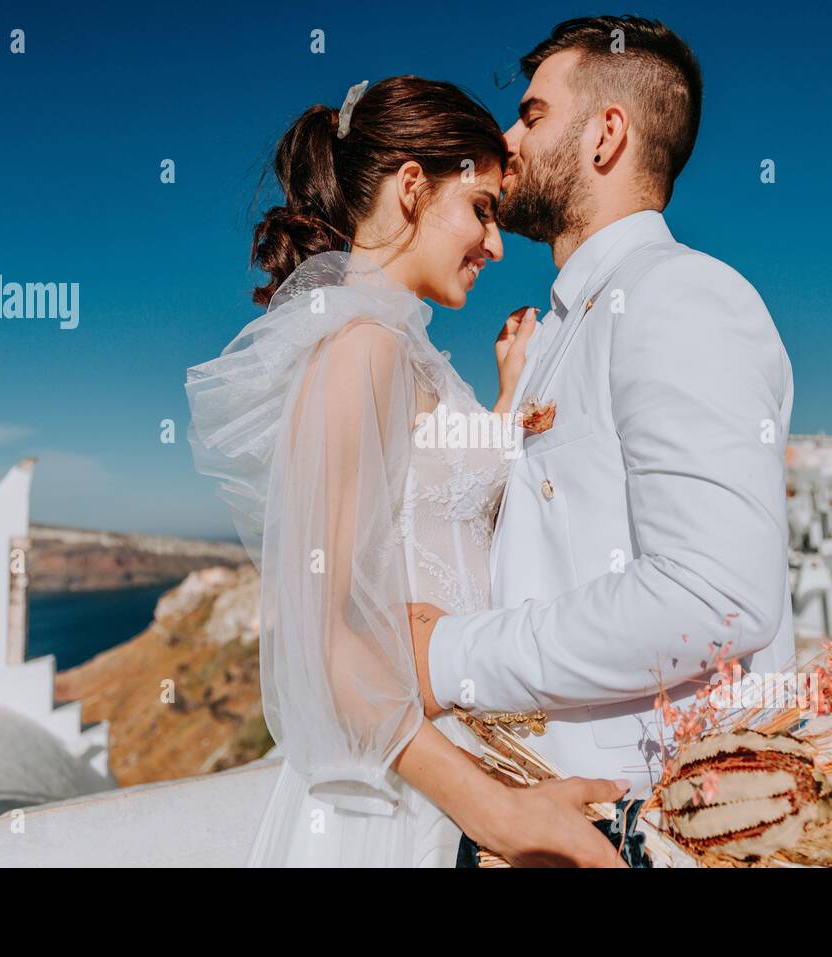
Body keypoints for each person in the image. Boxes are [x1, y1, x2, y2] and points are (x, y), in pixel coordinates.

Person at [186, 75, 628, 867]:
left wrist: (502, 409)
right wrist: (499, 814)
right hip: (395, 802)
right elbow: (329, 641)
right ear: (413, 187)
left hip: (452, 768)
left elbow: (426, 512)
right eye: (483, 209)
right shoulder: (362, 347)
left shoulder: (402, 349)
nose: (497, 244)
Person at [406, 17, 798, 848]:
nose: (505, 142)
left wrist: (443, 657)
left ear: (607, 134)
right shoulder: (559, 332)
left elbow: (714, 594)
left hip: (651, 824)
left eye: (533, 114)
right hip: (565, 817)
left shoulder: (681, 295)